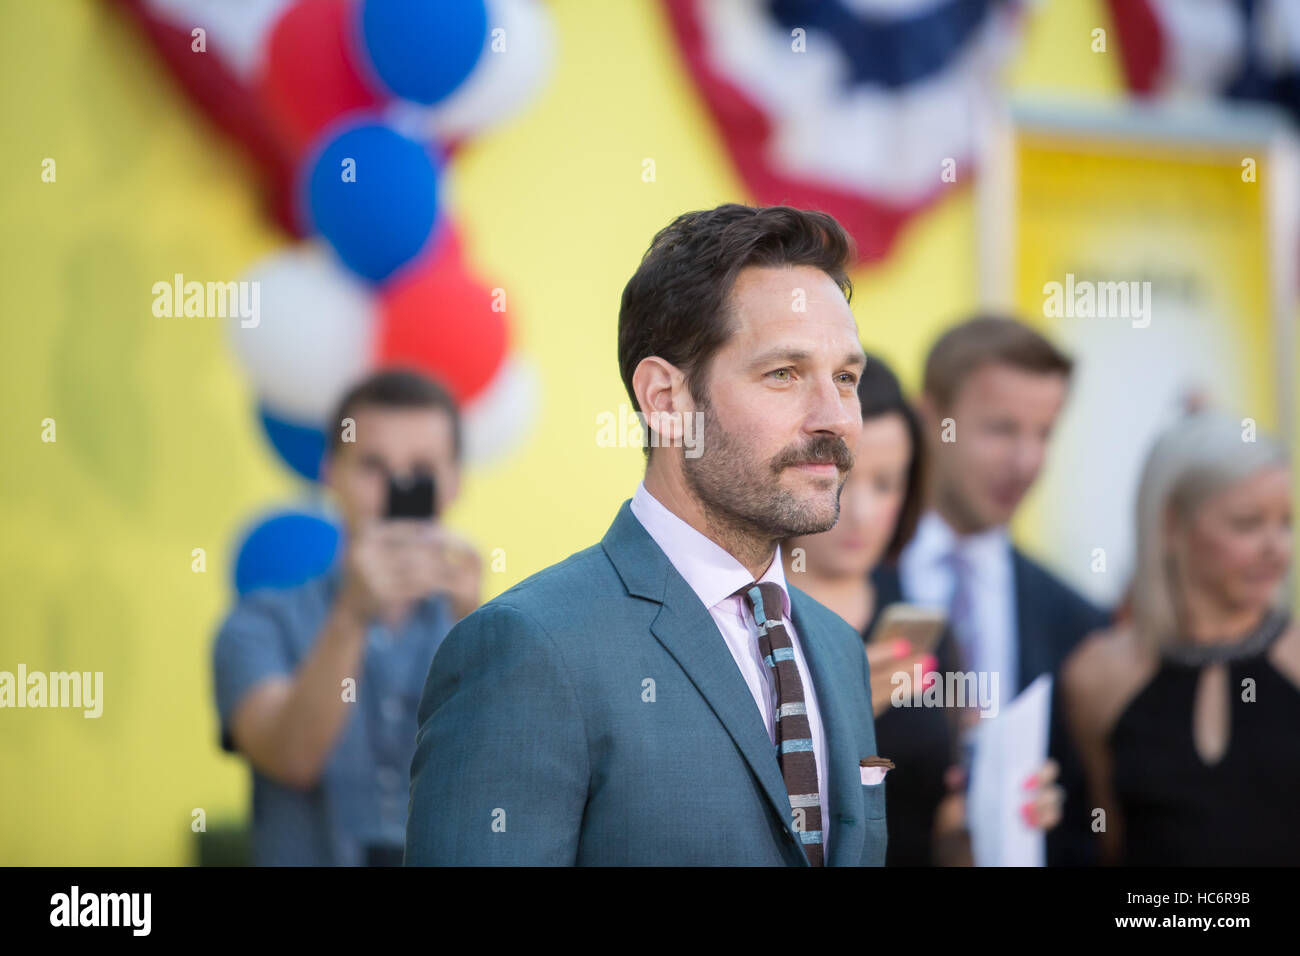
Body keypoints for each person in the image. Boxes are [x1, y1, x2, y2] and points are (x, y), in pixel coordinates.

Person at [405, 203, 886, 866]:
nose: (834, 417)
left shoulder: (837, 650)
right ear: (665, 399)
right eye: (784, 374)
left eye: (846, 378)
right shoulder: (532, 650)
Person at [784, 354, 1062, 865]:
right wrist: (839, 717)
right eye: (842, 478)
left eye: (886, 483)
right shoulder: (748, 611)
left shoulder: (924, 623)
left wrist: (992, 815)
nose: (862, 512)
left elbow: (941, 833)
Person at [213, 369, 482, 866]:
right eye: (372, 466)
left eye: (421, 468)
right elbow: (291, 758)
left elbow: (513, 784)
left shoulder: (481, 624)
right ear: (330, 472)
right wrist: (352, 616)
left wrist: (481, 637)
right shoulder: (258, 623)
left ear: (455, 481)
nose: (396, 488)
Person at [890, 315, 1109, 865]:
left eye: (1044, 432)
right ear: (929, 420)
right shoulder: (832, 590)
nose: (1028, 461)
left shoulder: (1079, 622)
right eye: (1002, 429)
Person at [1062, 412, 1299, 865]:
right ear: (1171, 524)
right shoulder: (1097, 676)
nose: (1276, 548)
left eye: (1285, 522)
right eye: (1248, 523)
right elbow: (1106, 841)